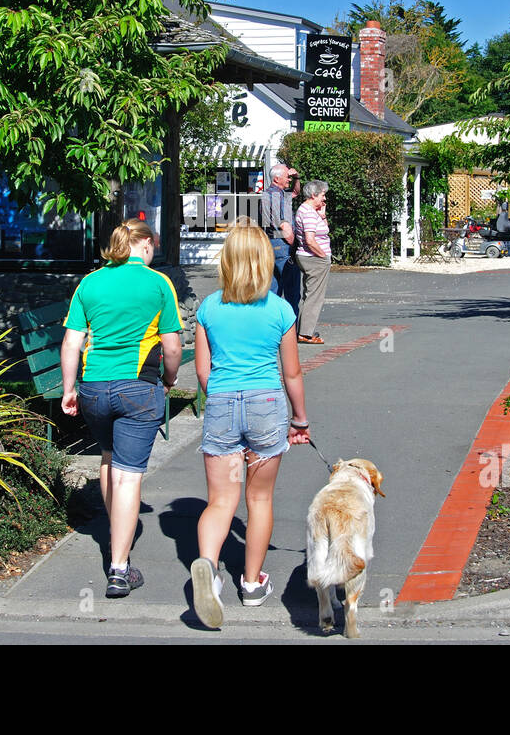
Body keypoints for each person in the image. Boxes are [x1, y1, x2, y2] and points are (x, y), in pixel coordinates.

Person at [189, 217, 311, 628]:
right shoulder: (280, 309)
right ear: (262, 262)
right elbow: (292, 372)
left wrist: (224, 399)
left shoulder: (208, 307)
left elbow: (203, 374)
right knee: (258, 500)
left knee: (220, 500)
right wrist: (300, 419)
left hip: (222, 403)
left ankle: (208, 565)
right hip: (266, 405)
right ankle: (252, 583)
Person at [61, 218, 182, 598]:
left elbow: (71, 342)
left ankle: (113, 538)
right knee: (129, 477)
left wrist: (69, 390)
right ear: (143, 245)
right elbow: (173, 345)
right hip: (138, 389)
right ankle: (118, 567)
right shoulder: (158, 282)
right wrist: (169, 379)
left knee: (109, 457)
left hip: (94, 389)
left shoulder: (90, 282)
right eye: (152, 245)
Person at [259, 162, 301, 317]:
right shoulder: (274, 196)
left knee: (274, 290)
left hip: (272, 246)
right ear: (276, 179)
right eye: (286, 176)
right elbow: (283, 225)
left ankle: (270, 326)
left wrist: (296, 177)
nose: (289, 179)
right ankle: (291, 331)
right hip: (282, 246)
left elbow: (296, 192)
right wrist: (294, 244)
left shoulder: (277, 193)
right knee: (292, 293)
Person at [294, 179, 331, 344]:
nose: (324, 199)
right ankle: (306, 333)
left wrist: (322, 216)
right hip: (313, 258)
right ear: (314, 194)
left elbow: (324, 229)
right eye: (322, 195)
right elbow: (310, 239)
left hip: (309, 257)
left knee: (310, 294)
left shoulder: (310, 210)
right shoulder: (308, 212)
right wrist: (323, 256)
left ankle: (304, 330)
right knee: (315, 296)